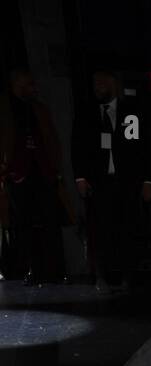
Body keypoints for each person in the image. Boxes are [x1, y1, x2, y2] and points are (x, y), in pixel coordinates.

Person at [71, 69, 151, 289]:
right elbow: (78, 147)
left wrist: (147, 180)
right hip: (99, 182)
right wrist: (80, 177)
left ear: (114, 83)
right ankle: (101, 276)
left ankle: (127, 275)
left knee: (126, 229)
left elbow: (140, 148)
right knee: (100, 230)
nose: (98, 85)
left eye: (102, 81)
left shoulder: (129, 114)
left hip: (125, 181)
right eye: (95, 82)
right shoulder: (87, 113)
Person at [0, 69, 65, 284]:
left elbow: (52, 140)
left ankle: (51, 270)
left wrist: (54, 170)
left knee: (48, 222)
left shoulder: (38, 109)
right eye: (29, 84)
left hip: (42, 172)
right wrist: (8, 170)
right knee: (23, 225)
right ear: (18, 84)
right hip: (18, 173)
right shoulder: (6, 109)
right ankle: (27, 269)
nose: (34, 87)